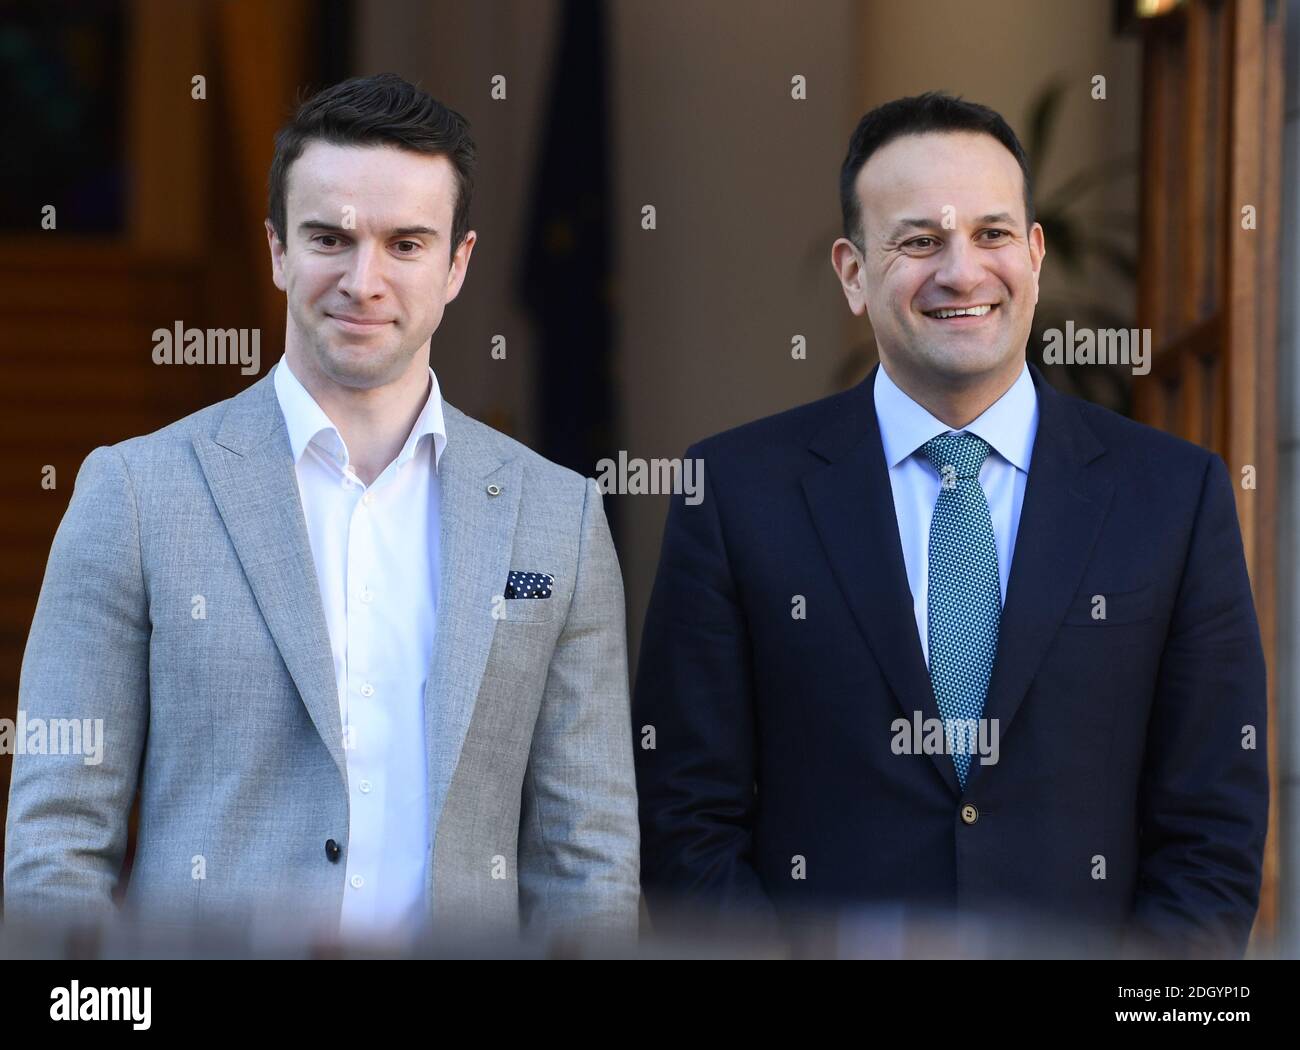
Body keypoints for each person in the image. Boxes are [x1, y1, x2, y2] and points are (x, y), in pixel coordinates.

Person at [4, 73, 639, 950]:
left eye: (406, 244)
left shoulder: (556, 516)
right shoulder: (136, 492)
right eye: (329, 238)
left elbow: (588, 860)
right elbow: (55, 842)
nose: (362, 279)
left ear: (458, 264)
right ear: (276, 249)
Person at [633, 92, 1268, 958]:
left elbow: (1211, 829)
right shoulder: (736, 494)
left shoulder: (1173, 495)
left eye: (993, 234)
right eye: (919, 241)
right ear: (854, 273)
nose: (961, 272)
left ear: (1036, 256)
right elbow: (684, 817)